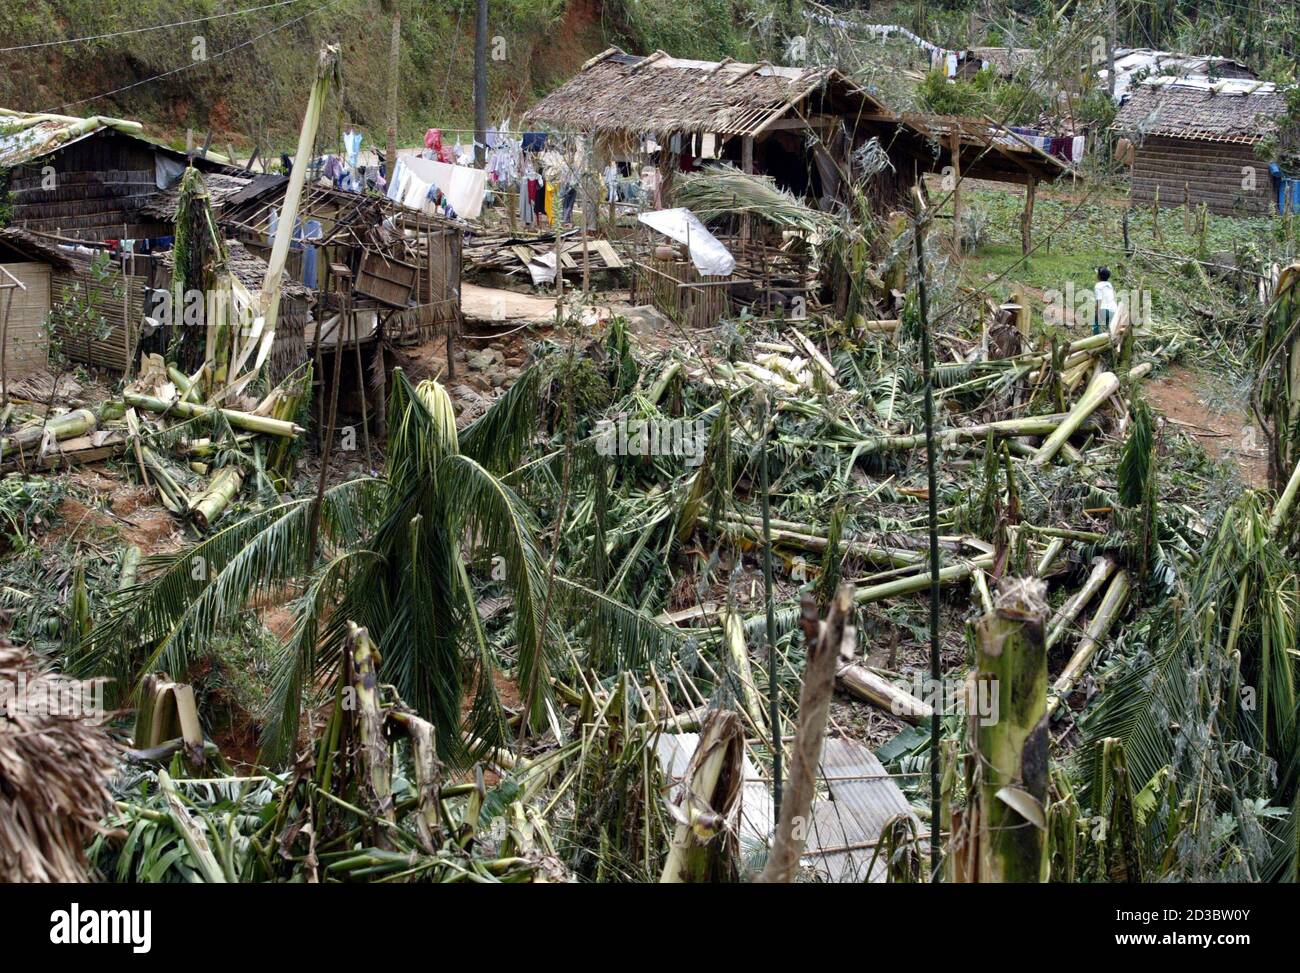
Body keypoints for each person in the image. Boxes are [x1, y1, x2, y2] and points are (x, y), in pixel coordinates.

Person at [1093, 266, 1118, 336]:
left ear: (1099, 276)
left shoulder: (1098, 286)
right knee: (1110, 329)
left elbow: (1099, 300)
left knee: (1095, 326)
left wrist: (1097, 313)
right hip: (1114, 310)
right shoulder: (1109, 285)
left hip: (1103, 309)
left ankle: (1096, 340)